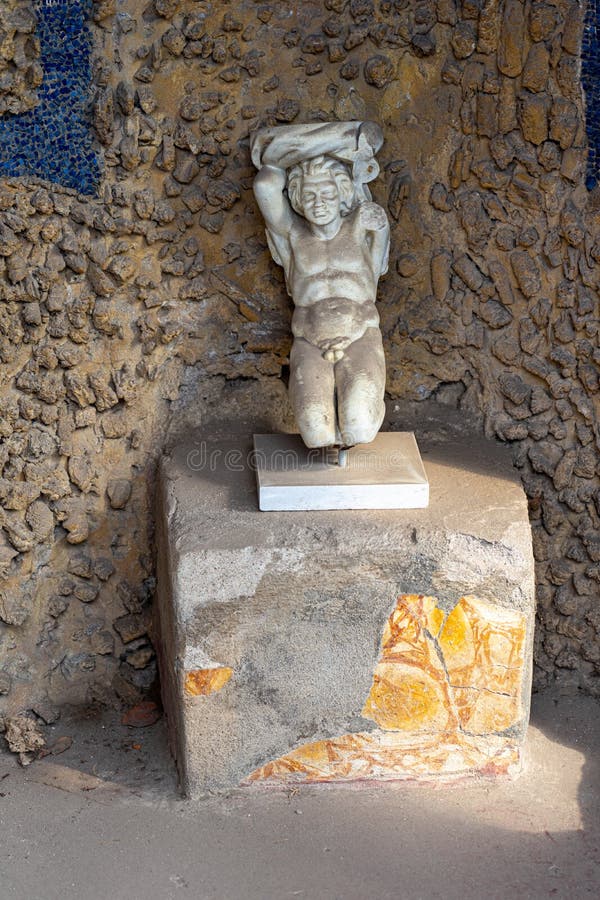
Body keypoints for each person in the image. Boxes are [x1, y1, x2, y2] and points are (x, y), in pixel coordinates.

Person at [252, 124, 390, 450]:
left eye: (327, 194)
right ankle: (329, 428)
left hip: (359, 335)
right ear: (297, 199)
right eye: (309, 196)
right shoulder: (292, 236)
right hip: (310, 340)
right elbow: (267, 183)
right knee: (315, 432)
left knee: (358, 426)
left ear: (342, 193)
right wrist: (337, 139)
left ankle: (357, 416)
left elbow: (377, 258)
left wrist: (356, 147)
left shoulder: (364, 224)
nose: (319, 204)